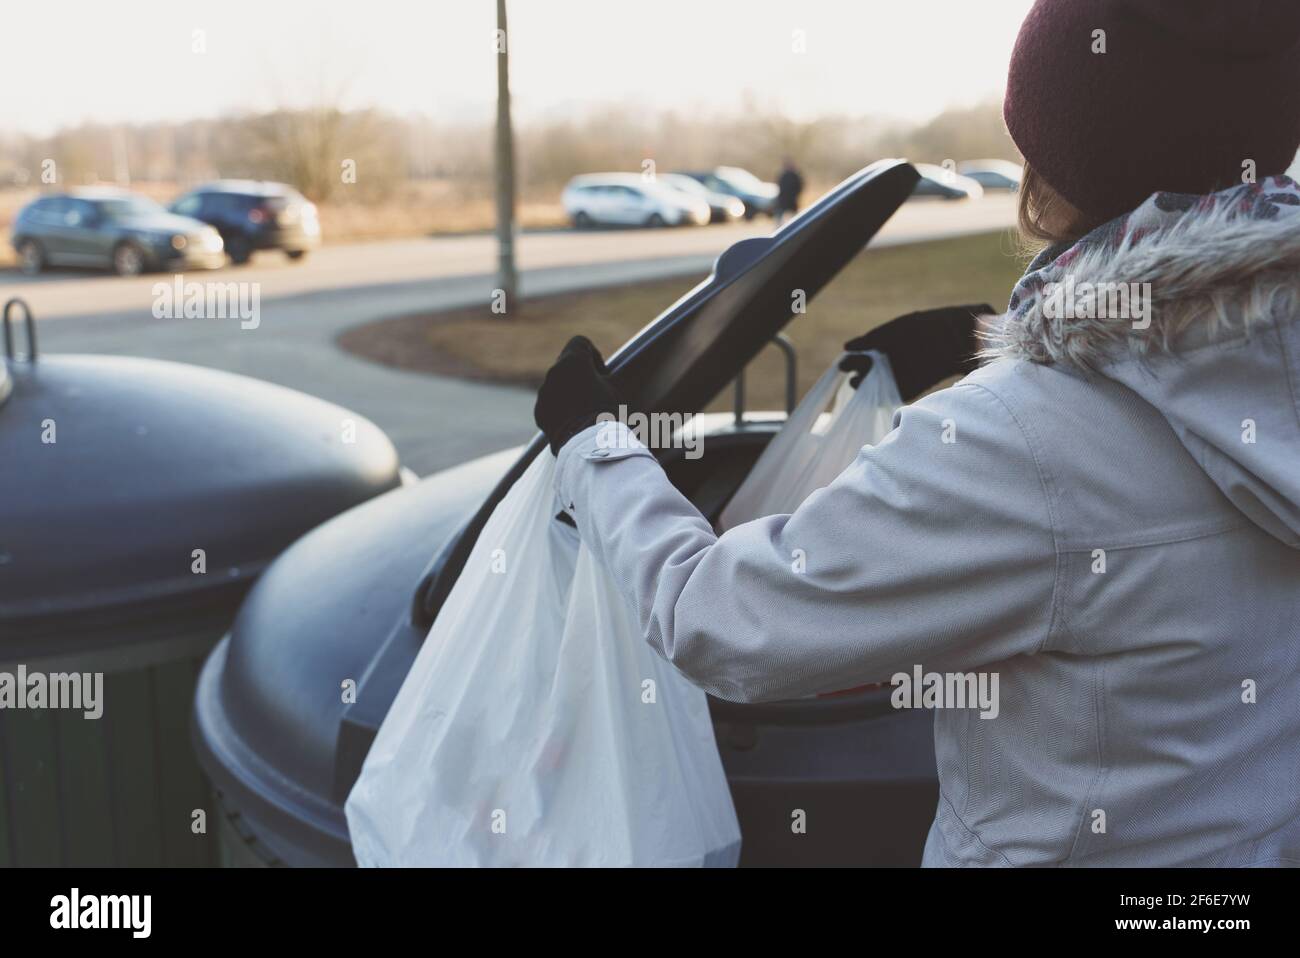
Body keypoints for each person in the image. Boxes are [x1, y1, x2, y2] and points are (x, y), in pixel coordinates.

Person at [533, 0, 1300, 867]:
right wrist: (999, 355)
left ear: (1055, 164)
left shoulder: (1023, 444)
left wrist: (595, 447)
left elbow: (723, 621)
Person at [773, 158, 804, 226]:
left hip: (790, 200)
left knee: (796, 218)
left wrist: (795, 195)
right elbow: (778, 185)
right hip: (784, 199)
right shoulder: (783, 175)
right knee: (779, 217)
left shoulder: (795, 176)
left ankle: (798, 226)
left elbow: (800, 187)